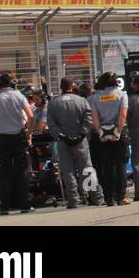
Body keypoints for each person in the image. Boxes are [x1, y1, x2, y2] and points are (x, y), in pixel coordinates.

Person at [47, 77, 100, 209]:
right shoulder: (81, 101)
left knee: (67, 171)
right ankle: (95, 197)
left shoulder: (53, 103)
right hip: (80, 140)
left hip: (63, 142)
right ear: (72, 87)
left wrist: (62, 136)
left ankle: (73, 200)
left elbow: (51, 123)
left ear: (61, 87)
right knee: (87, 169)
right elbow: (88, 119)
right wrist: (81, 134)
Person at [0, 72, 34, 214]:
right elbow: (31, 117)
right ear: (11, 84)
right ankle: (24, 205)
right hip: (18, 135)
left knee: (4, 172)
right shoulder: (19, 95)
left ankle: (4, 207)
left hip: (3, 137)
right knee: (21, 171)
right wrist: (28, 134)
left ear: (0, 85)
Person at [89, 71, 128, 206]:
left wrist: (100, 132)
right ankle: (121, 197)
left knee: (106, 166)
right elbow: (122, 116)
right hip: (118, 132)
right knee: (121, 164)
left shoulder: (95, 98)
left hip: (103, 133)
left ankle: (108, 197)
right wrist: (118, 131)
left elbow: (94, 118)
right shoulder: (122, 95)